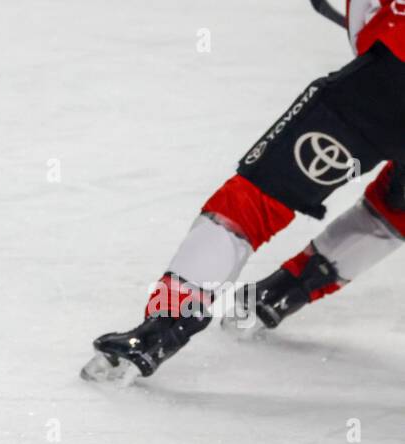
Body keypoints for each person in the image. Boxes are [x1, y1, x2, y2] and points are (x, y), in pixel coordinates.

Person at [83, 2, 405, 382]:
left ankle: (163, 327)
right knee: (397, 206)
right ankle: (282, 292)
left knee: (258, 194)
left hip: (387, 80)